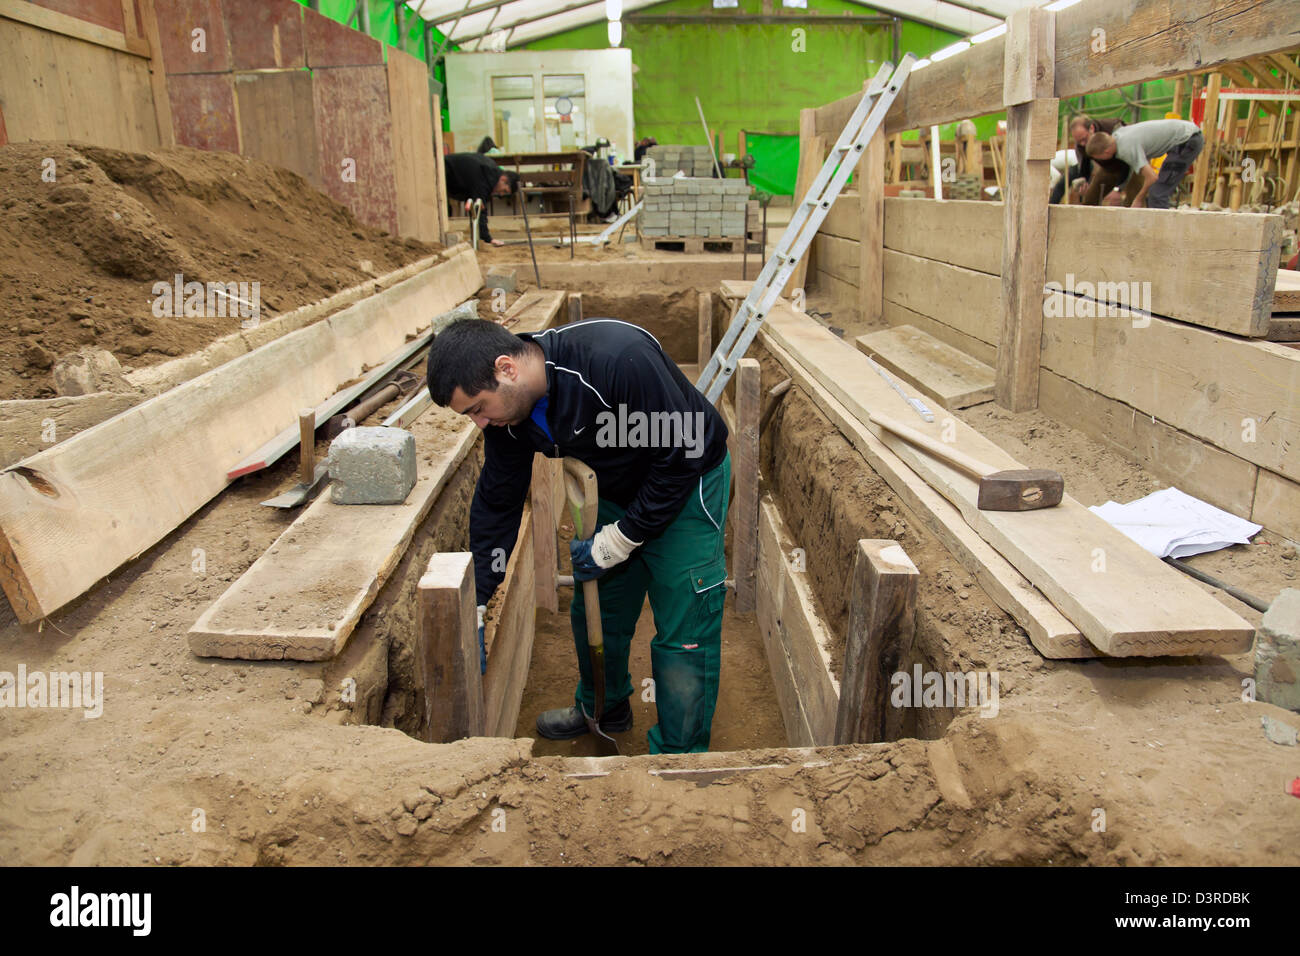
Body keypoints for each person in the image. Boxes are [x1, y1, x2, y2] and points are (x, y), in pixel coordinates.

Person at [426, 318, 731, 754]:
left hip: (687, 482)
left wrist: (623, 539)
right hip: (617, 489)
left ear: (506, 368)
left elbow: (684, 450)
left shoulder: (616, 359)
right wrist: (478, 595)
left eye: (477, 407)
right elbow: (499, 501)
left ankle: (680, 756)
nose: (478, 423)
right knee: (597, 610)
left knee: (684, 626)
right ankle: (604, 708)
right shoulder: (509, 418)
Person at [1086, 118, 1204, 209]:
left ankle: (1159, 235)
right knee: (1157, 191)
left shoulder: (1125, 149)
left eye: (1099, 158)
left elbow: (1152, 178)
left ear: (1106, 152)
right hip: (1185, 134)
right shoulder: (1118, 135)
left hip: (1187, 140)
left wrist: (1138, 198)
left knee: (1157, 193)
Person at [1051, 114, 1129, 205]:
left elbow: (1127, 160)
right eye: (1079, 141)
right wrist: (1083, 183)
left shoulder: (1112, 128)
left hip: (1133, 164)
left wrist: (1118, 189)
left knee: (1132, 198)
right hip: (1109, 168)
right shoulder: (1081, 145)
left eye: (1084, 139)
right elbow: (1085, 166)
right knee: (1090, 199)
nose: (1083, 144)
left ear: (1091, 128)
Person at [443, 152, 518, 245]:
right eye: (504, 191)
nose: (501, 194)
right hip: (443, 170)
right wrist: (487, 239)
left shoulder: (490, 172)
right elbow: (479, 209)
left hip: (448, 170)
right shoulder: (486, 179)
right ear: (503, 179)